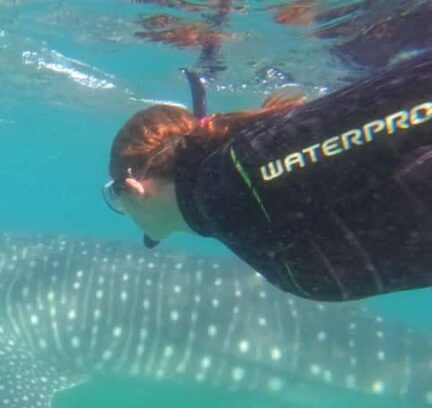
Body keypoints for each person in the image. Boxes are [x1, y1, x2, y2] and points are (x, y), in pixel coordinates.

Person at [103, 50, 431, 301]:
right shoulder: (232, 207)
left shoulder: (237, 180)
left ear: (133, 188)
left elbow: (413, 108)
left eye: (115, 196)